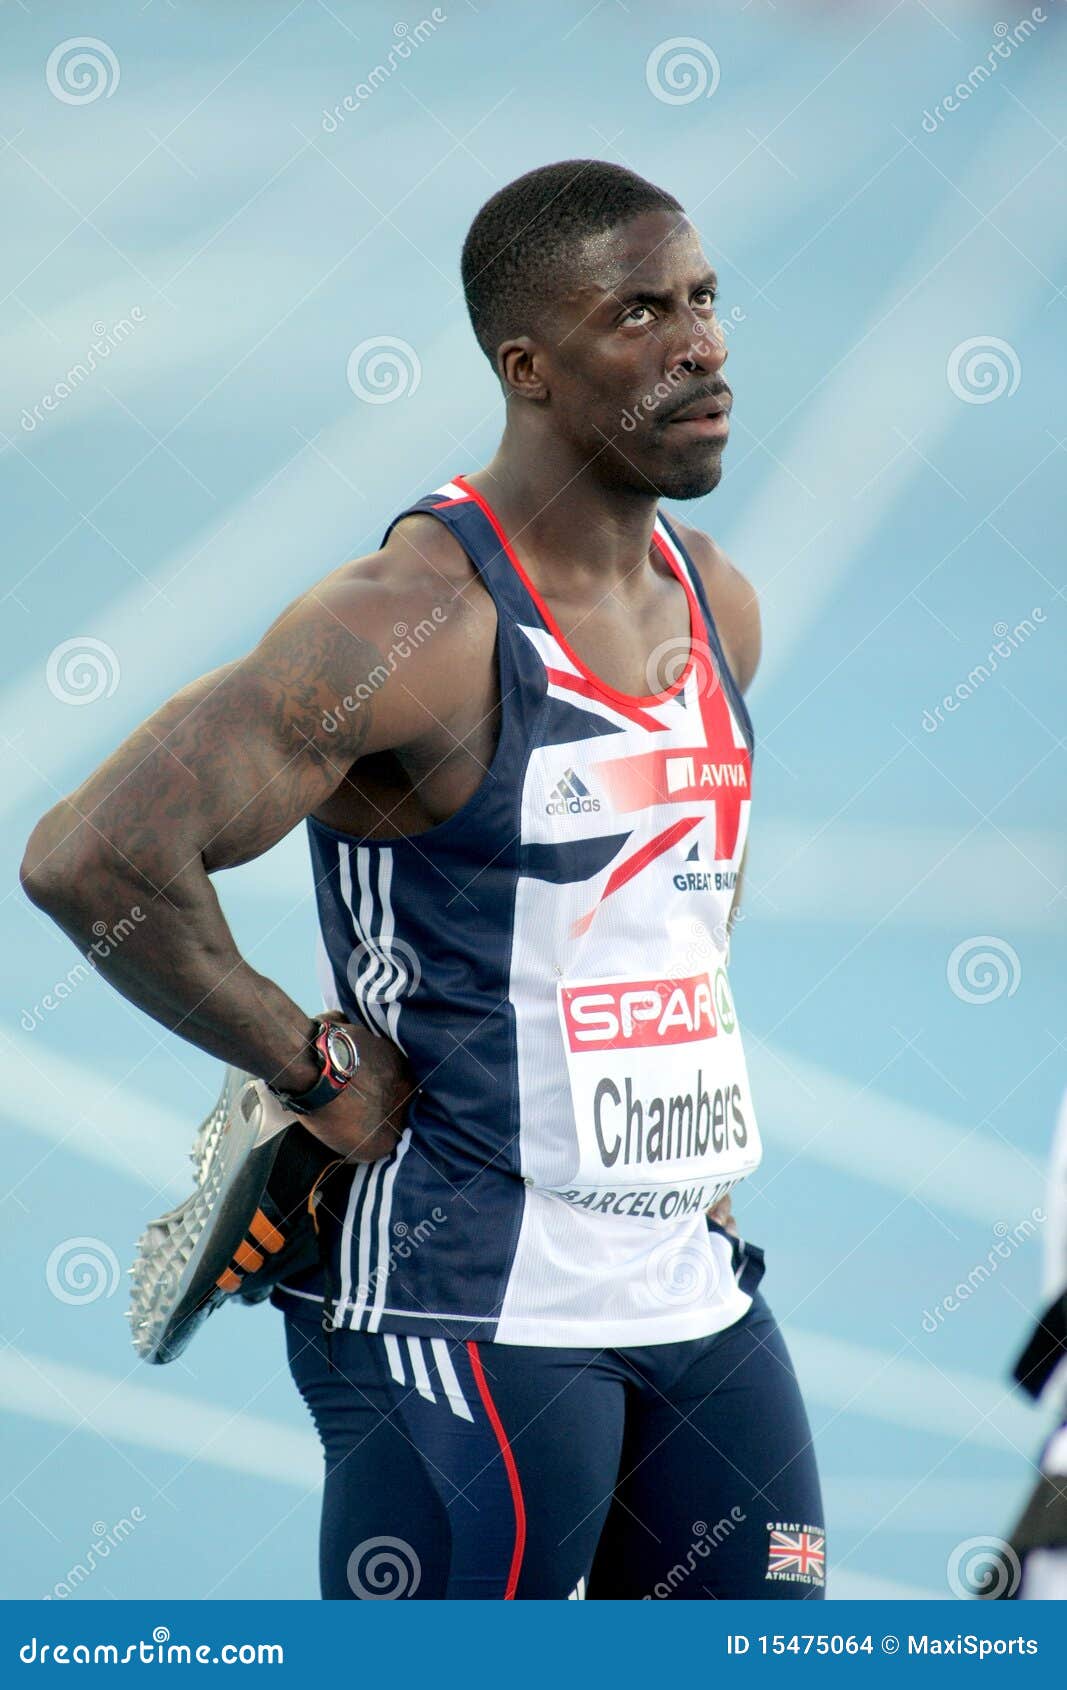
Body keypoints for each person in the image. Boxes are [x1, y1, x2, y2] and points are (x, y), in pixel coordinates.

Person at [21, 159, 824, 1600]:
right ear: (526, 365)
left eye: (703, 298)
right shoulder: (418, 628)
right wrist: (310, 1056)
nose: (700, 341)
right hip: (464, 1299)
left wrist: (675, 1143)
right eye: (639, 312)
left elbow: (681, 910)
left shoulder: (719, 606)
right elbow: (91, 854)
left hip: (690, 1286)